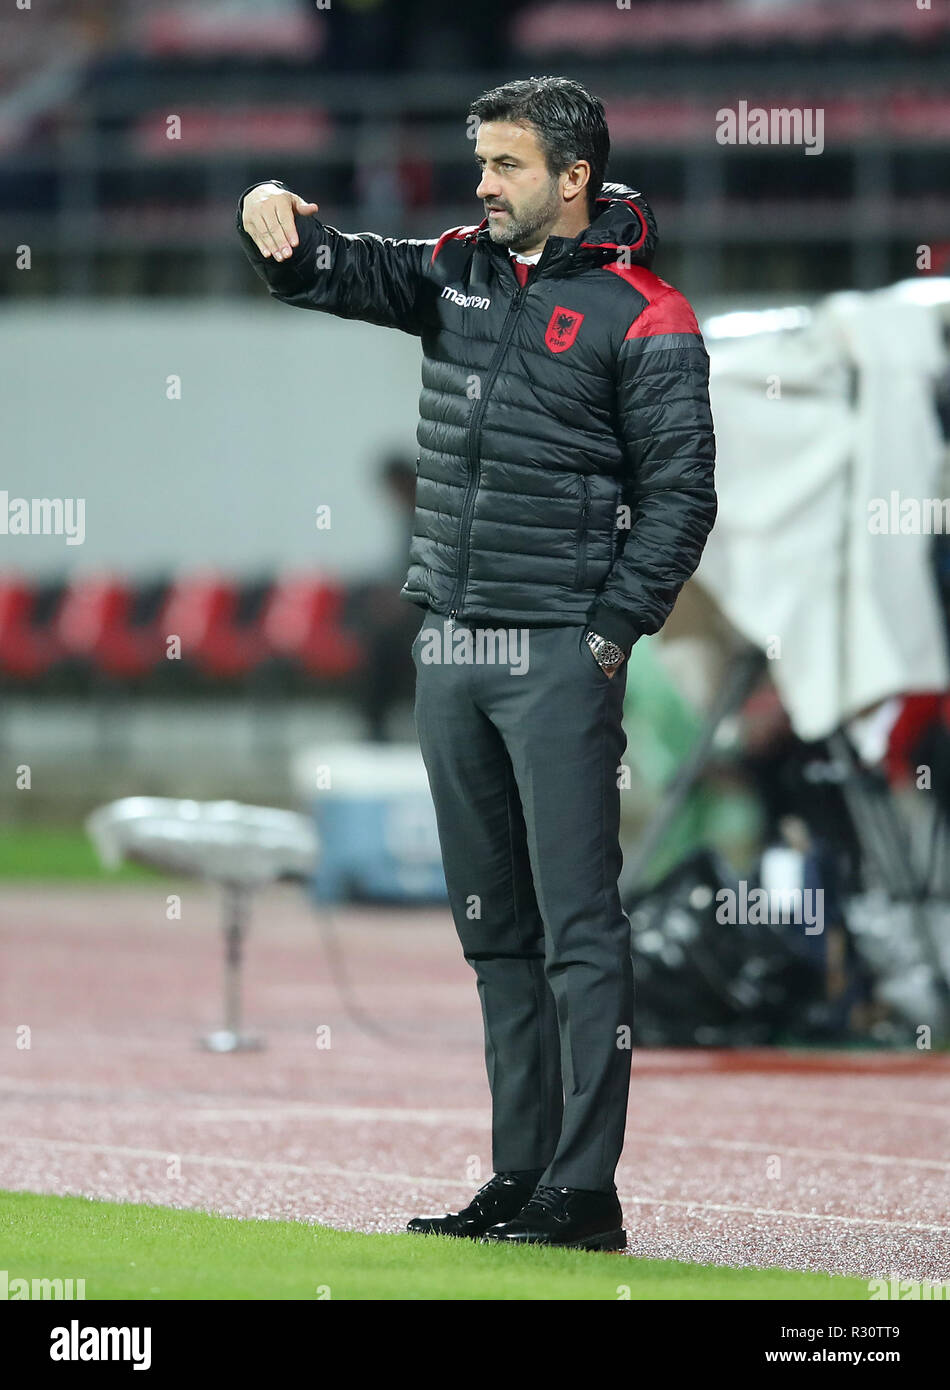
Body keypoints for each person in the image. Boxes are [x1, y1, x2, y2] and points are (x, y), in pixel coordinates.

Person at [236, 75, 717, 1251]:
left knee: (578, 928)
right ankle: (518, 1174)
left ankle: (584, 1191)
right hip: (447, 642)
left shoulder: (646, 313)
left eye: (504, 166)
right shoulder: (452, 268)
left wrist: (604, 634)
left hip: (555, 650)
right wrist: (273, 221)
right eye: (480, 163)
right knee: (494, 928)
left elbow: (681, 501)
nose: (481, 185)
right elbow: (331, 269)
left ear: (571, 178)